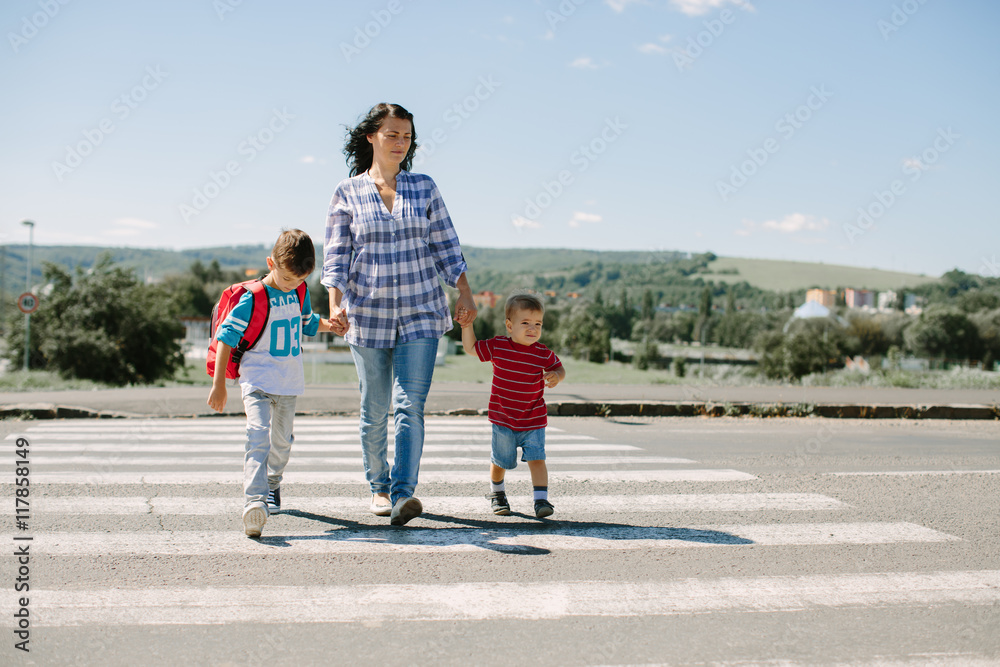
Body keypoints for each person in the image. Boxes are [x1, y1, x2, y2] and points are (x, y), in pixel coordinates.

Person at [322, 103, 477, 526]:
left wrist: (463, 293)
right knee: (375, 407)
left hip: (421, 310)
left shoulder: (424, 187)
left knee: (410, 405)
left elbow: (448, 247)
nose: (400, 143)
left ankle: (404, 494)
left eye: (406, 136)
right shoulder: (347, 192)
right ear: (371, 136)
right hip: (367, 314)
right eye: (392, 134)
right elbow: (336, 257)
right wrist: (335, 306)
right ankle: (379, 485)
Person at [208, 229, 334, 537]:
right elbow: (226, 337)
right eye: (288, 278)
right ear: (270, 263)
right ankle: (255, 502)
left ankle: (273, 483)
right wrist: (219, 384)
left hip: (289, 383)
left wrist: (333, 327)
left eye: (300, 280)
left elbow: (307, 323)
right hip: (256, 380)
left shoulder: (300, 291)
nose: (293, 285)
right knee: (258, 436)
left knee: (281, 445)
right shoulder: (253, 299)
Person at [459, 292, 565, 518]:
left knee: (537, 459)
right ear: (509, 325)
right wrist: (467, 326)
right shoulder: (498, 346)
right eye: (525, 323)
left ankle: (541, 500)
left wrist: (557, 375)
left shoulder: (542, 353)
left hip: (533, 419)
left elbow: (559, 367)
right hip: (503, 420)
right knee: (501, 461)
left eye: (538, 324)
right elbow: (471, 348)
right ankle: (497, 494)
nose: (532, 328)